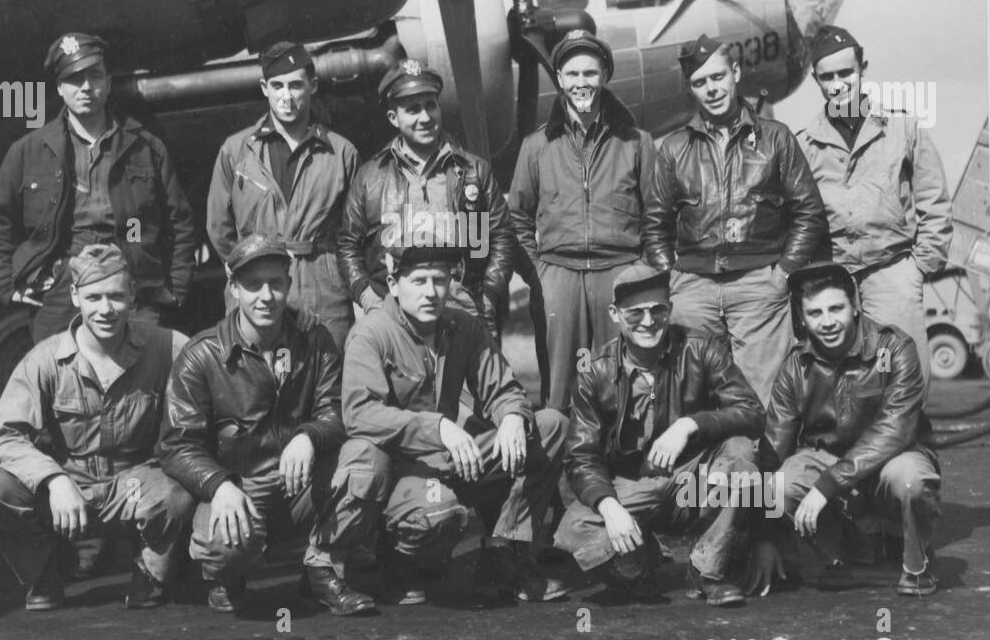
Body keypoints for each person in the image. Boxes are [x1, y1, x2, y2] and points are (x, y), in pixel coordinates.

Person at [317, 241, 569, 606]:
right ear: (394, 284)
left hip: (456, 458)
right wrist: (436, 427)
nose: (431, 291)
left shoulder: (463, 325)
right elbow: (360, 413)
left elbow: (502, 388)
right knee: (439, 511)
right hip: (404, 469)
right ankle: (397, 560)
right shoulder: (371, 334)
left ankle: (503, 551)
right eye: (419, 281)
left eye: (440, 280)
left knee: (549, 426)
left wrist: (513, 416)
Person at [0, 245, 195, 610]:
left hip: (133, 487)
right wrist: (54, 480)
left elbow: (206, 405)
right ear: (74, 296)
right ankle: (47, 566)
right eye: (93, 297)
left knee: (175, 495)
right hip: (68, 489)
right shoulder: (45, 359)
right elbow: (4, 438)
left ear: (133, 294)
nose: (106, 309)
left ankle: (150, 569)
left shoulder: (167, 346)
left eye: (116, 296)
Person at [157, 233, 375, 617]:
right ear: (234, 289)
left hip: (299, 484)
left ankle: (320, 568)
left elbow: (336, 411)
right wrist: (218, 485)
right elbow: (177, 444)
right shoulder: (202, 354)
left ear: (289, 284)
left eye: (275, 283)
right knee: (222, 546)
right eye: (253, 285)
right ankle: (230, 577)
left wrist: (308, 436)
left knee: (368, 461)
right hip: (238, 486)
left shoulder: (314, 339)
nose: (266, 296)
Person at [554, 263, 766, 605]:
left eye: (657, 310)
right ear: (615, 314)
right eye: (635, 313)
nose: (648, 321)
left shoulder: (701, 348)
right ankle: (640, 562)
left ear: (670, 308)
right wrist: (609, 507)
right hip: (632, 486)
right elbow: (581, 456)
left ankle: (709, 571)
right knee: (573, 533)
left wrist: (690, 424)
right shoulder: (595, 371)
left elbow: (752, 412)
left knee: (741, 453)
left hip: (693, 482)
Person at [645, 33, 827, 406]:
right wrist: (672, 279)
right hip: (693, 288)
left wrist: (784, 273)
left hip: (759, 285)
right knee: (690, 395)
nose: (711, 89)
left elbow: (808, 211)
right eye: (700, 82)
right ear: (690, 88)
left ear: (736, 73)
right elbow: (654, 224)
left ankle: (761, 448)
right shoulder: (674, 149)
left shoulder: (776, 138)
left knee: (765, 398)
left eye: (718, 77)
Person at [0, 31, 196, 342]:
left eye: (94, 76)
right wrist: (7, 284)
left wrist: (176, 287)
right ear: (59, 88)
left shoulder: (146, 147)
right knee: (59, 369)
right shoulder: (28, 151)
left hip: (132, 286)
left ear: (108, 82)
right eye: (74, 78)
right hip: (62, 287)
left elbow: (180, 222)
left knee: (143, 368)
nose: (85, 87)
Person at [754, 263, 942, 597]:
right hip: (830, 468)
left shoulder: (895, 347)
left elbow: (895, 429)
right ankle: (843, 556)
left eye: (836, 308)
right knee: (778, 486)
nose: (827, 322)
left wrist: (827, 485)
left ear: (855, 305)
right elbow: (773, 450)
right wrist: (765, 537)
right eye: (815, 313)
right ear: (802, 318)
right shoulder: (794, 366)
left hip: (894, 460)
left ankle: (916, 564)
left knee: (910, 480)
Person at [794, 25, 953, 388]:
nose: (838, 84)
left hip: (891, 269)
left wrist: (919, 267)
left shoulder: (902, 128)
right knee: (843, 382)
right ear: (816, 80)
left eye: (845, 73)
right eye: (827, 77)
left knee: (901, 374)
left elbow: (933, 199)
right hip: (834, 278)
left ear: (862, 68)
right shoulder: (805, 143)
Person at [509, 29, 658, 407]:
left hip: (621, 272)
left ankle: (625, 441)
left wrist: (642, 271)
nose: (582, 82)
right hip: (558, 275)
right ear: (559, 78)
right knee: (562, 384)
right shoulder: (536, 146)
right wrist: (538, 273)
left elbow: (657, 214)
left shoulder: (636, 142)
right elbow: (518, 217)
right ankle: (561, 440)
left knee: (623, 379)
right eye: (572, 74)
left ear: (604, 76)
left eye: (590, 73)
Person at [337, 58, 515, 341]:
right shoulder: (370, 178)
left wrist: (489, 295)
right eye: (412, 109)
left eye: (430, 105)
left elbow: (501, 236)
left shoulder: (473, 172)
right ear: (393, 118)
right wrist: (370, 300)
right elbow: (348, 244)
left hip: (464, 311)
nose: (425, 117)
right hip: (396, 317)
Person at [207, 41, 360, 352]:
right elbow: (218, 227)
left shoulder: (341, 153)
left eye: (295, 85)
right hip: (258, 288)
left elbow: (355, 233)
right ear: (265, 88)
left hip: (323, 289)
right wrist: (248, 267)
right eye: (277, 86)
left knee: (326, 370)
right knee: (255, 372)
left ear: (312, 86)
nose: (286, 96)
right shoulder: (236, 151)